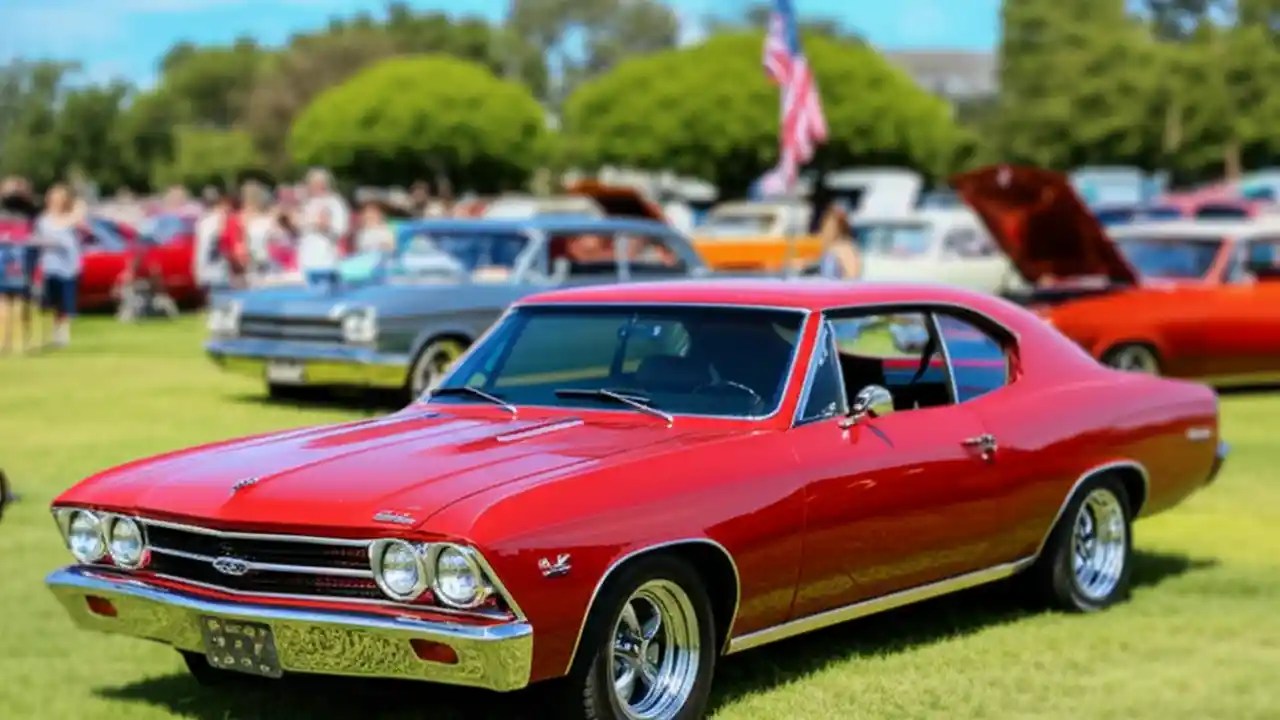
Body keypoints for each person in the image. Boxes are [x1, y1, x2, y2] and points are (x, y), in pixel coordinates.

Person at [33, 184, 83, 347]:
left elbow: (81, 212)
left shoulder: (71, 218)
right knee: (51, 304)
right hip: (50, 266)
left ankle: (62, 335)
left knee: (65, 304)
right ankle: (52, 334)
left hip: (67, 268)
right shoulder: (43, 220)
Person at [815, 203, 861, 280]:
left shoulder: (844, 248)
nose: (824, 231)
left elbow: (852, 276)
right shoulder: (832, 248)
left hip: (840, 290)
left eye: (827, 227)